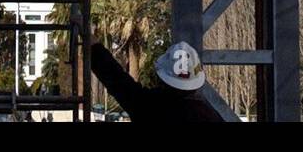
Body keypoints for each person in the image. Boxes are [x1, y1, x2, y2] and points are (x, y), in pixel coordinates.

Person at [90, 40, 224, 122]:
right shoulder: (209, 116)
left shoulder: (147, 106)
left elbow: (115, 78)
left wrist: (91, 42)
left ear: (162, 78)